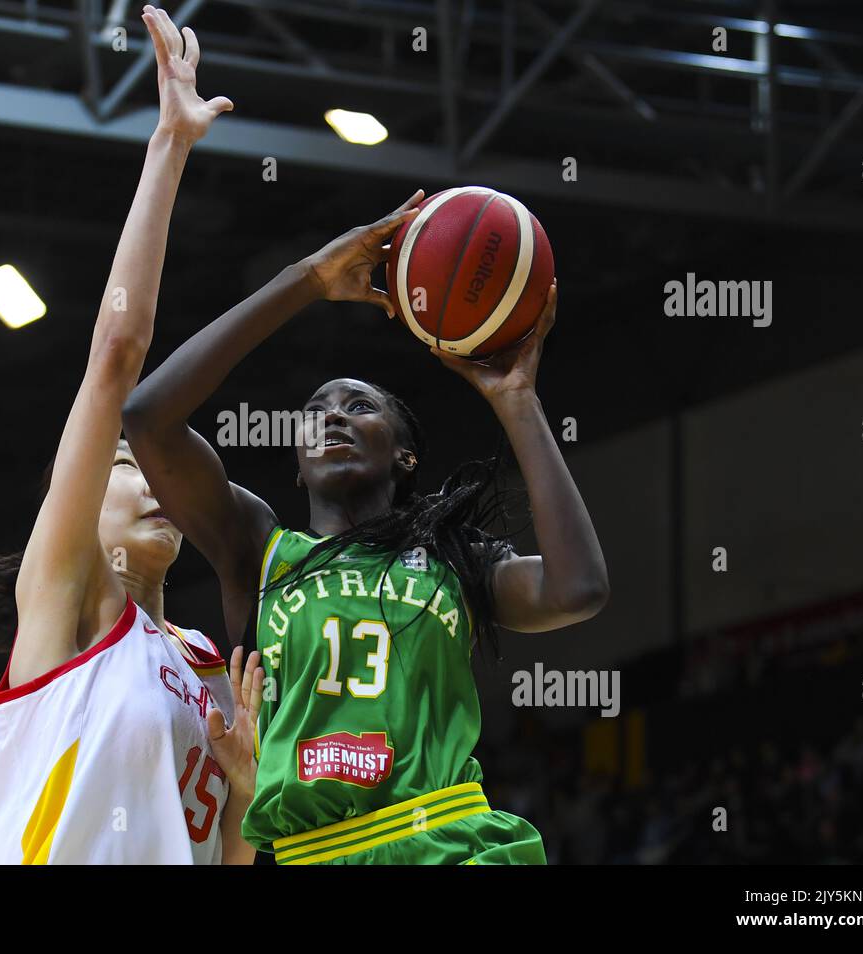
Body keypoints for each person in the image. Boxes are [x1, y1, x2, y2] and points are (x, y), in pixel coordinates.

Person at [122, 194, 609, 864]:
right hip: (315, 851)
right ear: (297, 465)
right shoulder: (259, 551)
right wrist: (308, 281)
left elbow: (577, 588)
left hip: (448, 842)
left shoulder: (450, 559)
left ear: (403, 455)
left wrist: (517, 400)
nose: (333, 417)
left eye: (359, 406)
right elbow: (147, 415)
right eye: (316, 410)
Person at [0, 6, 261, 865]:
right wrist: (170, 145)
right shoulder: (65, 609)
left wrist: (245, 797)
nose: (156, 483)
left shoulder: (212, 665)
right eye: (129, 465)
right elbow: (117, 356)